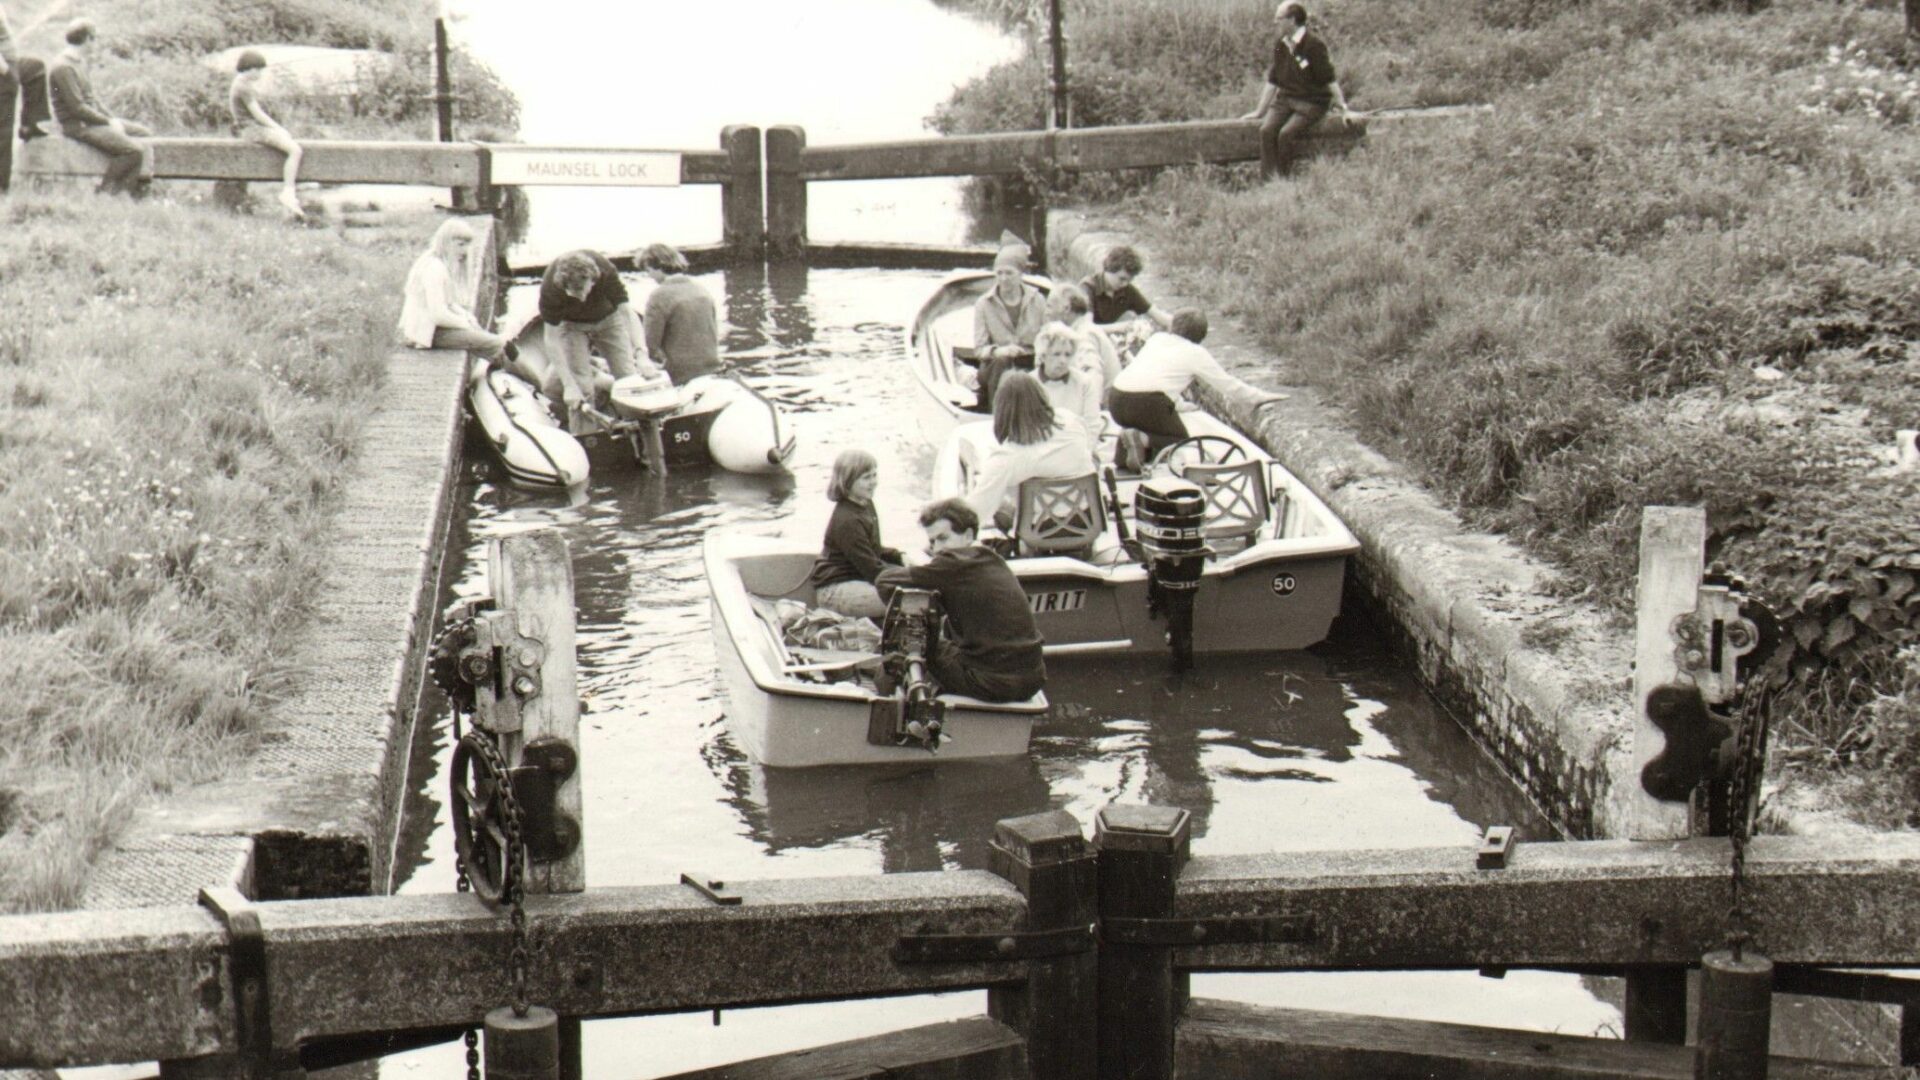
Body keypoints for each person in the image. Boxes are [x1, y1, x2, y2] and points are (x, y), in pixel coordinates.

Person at [875, 498, 1045, 704]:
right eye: (932, 542)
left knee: (913, 647)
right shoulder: (992, 559)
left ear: (968, 535)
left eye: (943, 538)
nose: (937, 549)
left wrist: (927, 604)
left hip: (992, 682)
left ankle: (891, 705)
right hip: (1032, 678)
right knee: (942, 644)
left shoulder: (952, 564)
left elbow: (884, 581)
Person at [964, 371, 1097, 532]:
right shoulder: (1072, 421)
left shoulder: (1008, 456)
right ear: (1041, 396)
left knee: (1000, 497)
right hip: (1087, 523)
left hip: (1039, 531)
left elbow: (974, 513)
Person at [1108, 309, 1232, 471]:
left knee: (1146, 425)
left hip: (1117, 398)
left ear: (1173, 326)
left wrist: (1180, 405)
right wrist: (1259, 397)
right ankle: (1141, 439)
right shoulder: (1195, 352)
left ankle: (1123, 460)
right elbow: (1228, 385)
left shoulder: (1157, 339)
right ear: (1201, 335)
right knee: (1178, 438)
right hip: (1144, 403)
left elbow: (1155, 379)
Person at [1240, 0, 1349, 181]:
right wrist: (1259, 111)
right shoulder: (1280, 44)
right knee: (1266, 130)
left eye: (1279, 18)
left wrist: (1344, 108)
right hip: (1286, 99)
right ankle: (1268, 181)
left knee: (1286, 134)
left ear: (1292, 20)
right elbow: (1273, 79)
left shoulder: (1314, 45)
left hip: (1311, 103)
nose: (1275, 22)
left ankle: (1284, 180)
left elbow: (1329, 79)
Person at [48, 19, 153, 197]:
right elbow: (77, 108)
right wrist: (106, 122)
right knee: (133, 151)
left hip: (91, 121)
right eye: (94, 38)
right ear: (87, 39)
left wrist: (112, 120)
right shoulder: (63, 67)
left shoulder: (79, 62)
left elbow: (92, 98)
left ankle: (139, 190)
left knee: (144, 133)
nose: (96, 43)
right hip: (78, 125)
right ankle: (108, 193)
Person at [539, 249, 642, 410]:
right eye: (574, 293)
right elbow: (551, 339)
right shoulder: (550, 287)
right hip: (572, 325)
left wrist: (641, 353)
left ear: (593, 280)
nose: (581, 298)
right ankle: (588, 433)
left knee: (627, 376)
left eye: (583, 290)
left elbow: (627, 313)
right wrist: (569, 385)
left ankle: (636, 421)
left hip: (608, 319)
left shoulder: (606, 271)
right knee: (581, 387)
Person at [398, 218, 512, 362]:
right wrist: (464, 323)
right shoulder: (434, 269)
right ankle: (525, 375)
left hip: (430, 329)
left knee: (487, 341)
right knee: (498, 343)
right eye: (460, 245)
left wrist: (466, 315)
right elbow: (438, 315)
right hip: (428, 333)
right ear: (446, 242)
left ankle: (504, 368)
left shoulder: (437, 261)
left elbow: (449, 303)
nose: (464, 251)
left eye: (466, 245)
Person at [810, 449, 903, 620]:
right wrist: (911, 577)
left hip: (856, 580)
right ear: (847, 482)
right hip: (835, 591)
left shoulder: (865, 503)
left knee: (914, 593)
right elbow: (872, 570)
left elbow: (872, 549)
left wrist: (899, 557)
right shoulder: (848, 520)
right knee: (910, 601)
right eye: (866, 478)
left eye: (874, 475)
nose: (873, 482)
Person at [229, 50, 304, 220]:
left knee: (289, 145)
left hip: (246, 128)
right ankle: (288, 192)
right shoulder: (243, 87)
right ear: (250, 69)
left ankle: (289, 192)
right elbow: (258, 114)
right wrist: (278, 128)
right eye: (259, 70)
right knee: (295, 150)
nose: (260, 74)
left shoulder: (238, 83)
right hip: (252, 130)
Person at [971, 243, 1046, 410]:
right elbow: (979, 350)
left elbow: (1047, 336)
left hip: (1029, 360)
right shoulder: (983, 304)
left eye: (1009, 273)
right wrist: (999, 351)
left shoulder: (1038, 300)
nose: (1003, 278)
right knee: (1002, 362)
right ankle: (997, 413)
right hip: (994, 365)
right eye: (999, 273)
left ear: (1021, 274)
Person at [639, 243, 724, 385]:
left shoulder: (659, 295)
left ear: (655, 266)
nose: (649, 276)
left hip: (680, 374)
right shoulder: (702, 290)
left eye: (648, 270)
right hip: (711, 366)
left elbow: (650, 343)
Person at [1045, 281, 1122, 395]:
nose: (1046, 312)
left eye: (1049, 306)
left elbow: (1093, 376)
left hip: (1105, 402)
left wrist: (1088, 408)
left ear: (1066, 308)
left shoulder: (1084, 334)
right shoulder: (1080, 329)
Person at [1033, 322, 1102, 441]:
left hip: (1076, 447)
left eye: (1068, 354)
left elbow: (1092, 427)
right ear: (1043, 356)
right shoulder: (1029, 383)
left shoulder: (1085, 383)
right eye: (1057, 354)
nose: (1063, 360)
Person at [1079, 245, 1171, 331]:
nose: (1125, 284)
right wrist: (1121, 327)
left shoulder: (1127, 290)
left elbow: (1157, 315)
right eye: (1121, 279)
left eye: (1129, 280)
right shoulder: (1088, 287)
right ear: (1109, 269)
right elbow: (1087, 328)